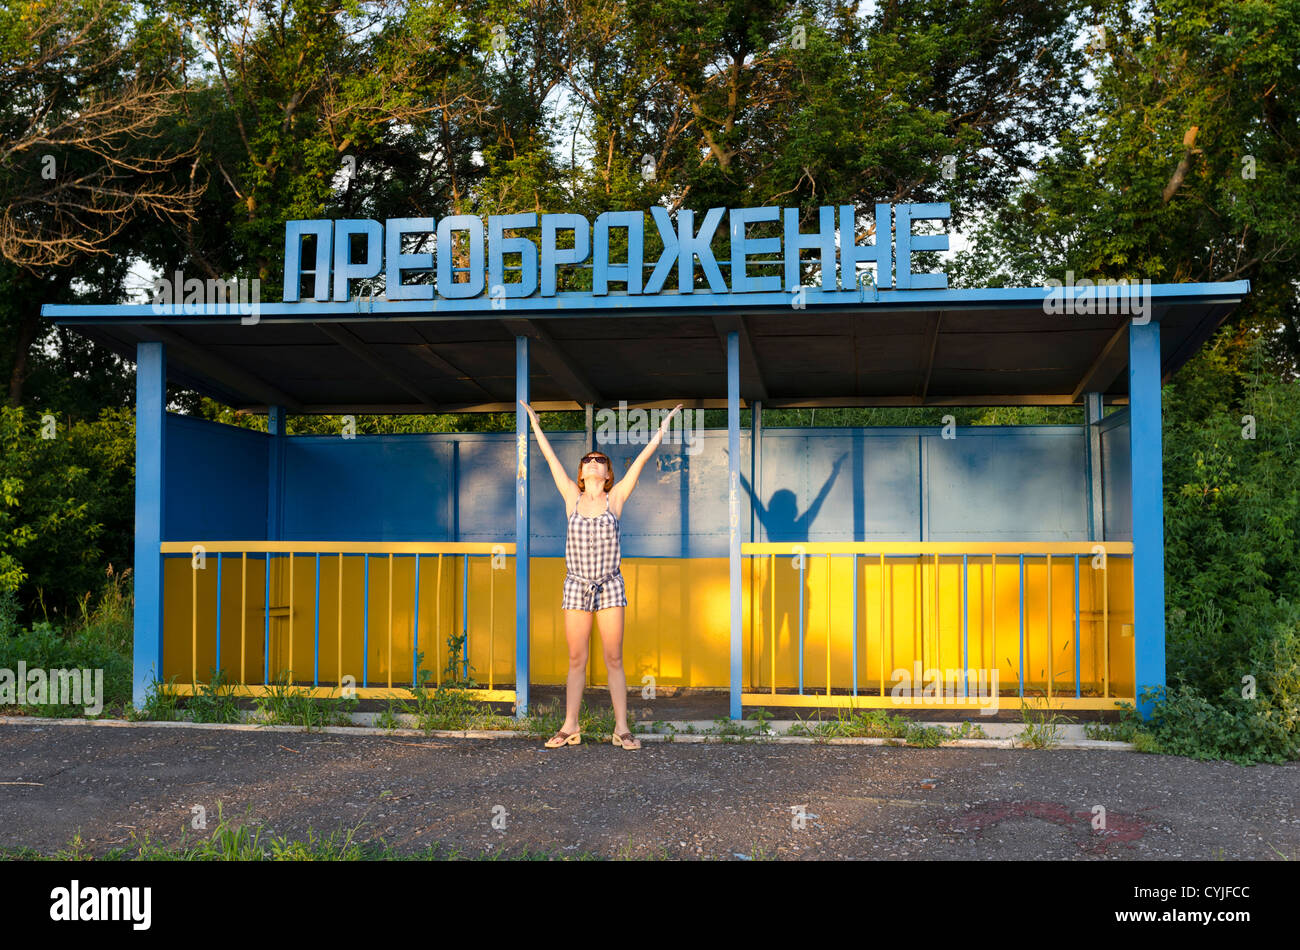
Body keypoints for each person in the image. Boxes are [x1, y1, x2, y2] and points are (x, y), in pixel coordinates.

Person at [520, 400, 683, 750]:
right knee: (576, 658)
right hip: (576, 586)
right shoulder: (571, 496)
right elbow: (549, 459)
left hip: (609, 586)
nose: (594, 463)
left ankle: (621, 728)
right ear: (581, 473)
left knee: (614, 657)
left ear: (608, 474)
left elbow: (641, 460)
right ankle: (570, 726)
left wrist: (664, 426)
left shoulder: (617, 498)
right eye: (588, 460)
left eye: (600, 461)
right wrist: (534, 422)